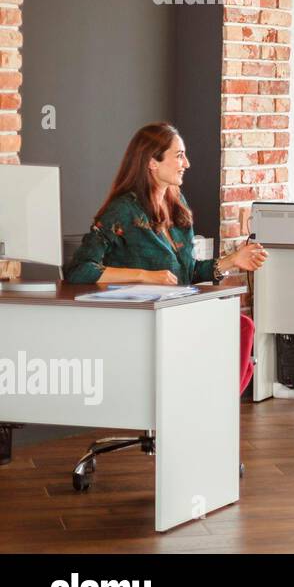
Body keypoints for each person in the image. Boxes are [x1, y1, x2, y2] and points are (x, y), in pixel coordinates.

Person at [66, 122, 268, 393]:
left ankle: (205, 407)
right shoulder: (122, 211)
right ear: (152, 162)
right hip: (144, 321)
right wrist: (143, 276)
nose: (187, 163)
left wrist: (232, 260)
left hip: (179, 313)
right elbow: (79, 270)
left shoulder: (178, 203)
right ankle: (202, 407)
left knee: (242, 329)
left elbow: (187, 272)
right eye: (179, 155)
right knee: (237, 333)